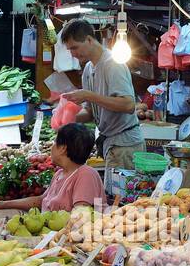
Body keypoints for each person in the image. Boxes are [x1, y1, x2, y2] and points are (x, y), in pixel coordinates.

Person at [58, 19, 144, 169]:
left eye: (75, 48)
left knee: (120, 193)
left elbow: (128, 105)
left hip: (125, 146)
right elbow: (91, 113)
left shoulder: (113, 63)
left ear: (89, 40)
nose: (73, 54)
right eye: (69, 50)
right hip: (110, 144)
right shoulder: (88, 69)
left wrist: (88, 95)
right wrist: (66, 118)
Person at [0, 123, 104, 212]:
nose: (52, 147)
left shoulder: (86, 175)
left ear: (63, 148)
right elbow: (42, 200)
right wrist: (0, 204)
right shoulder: (60, 173)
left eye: (54, 141)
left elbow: (80, 217)